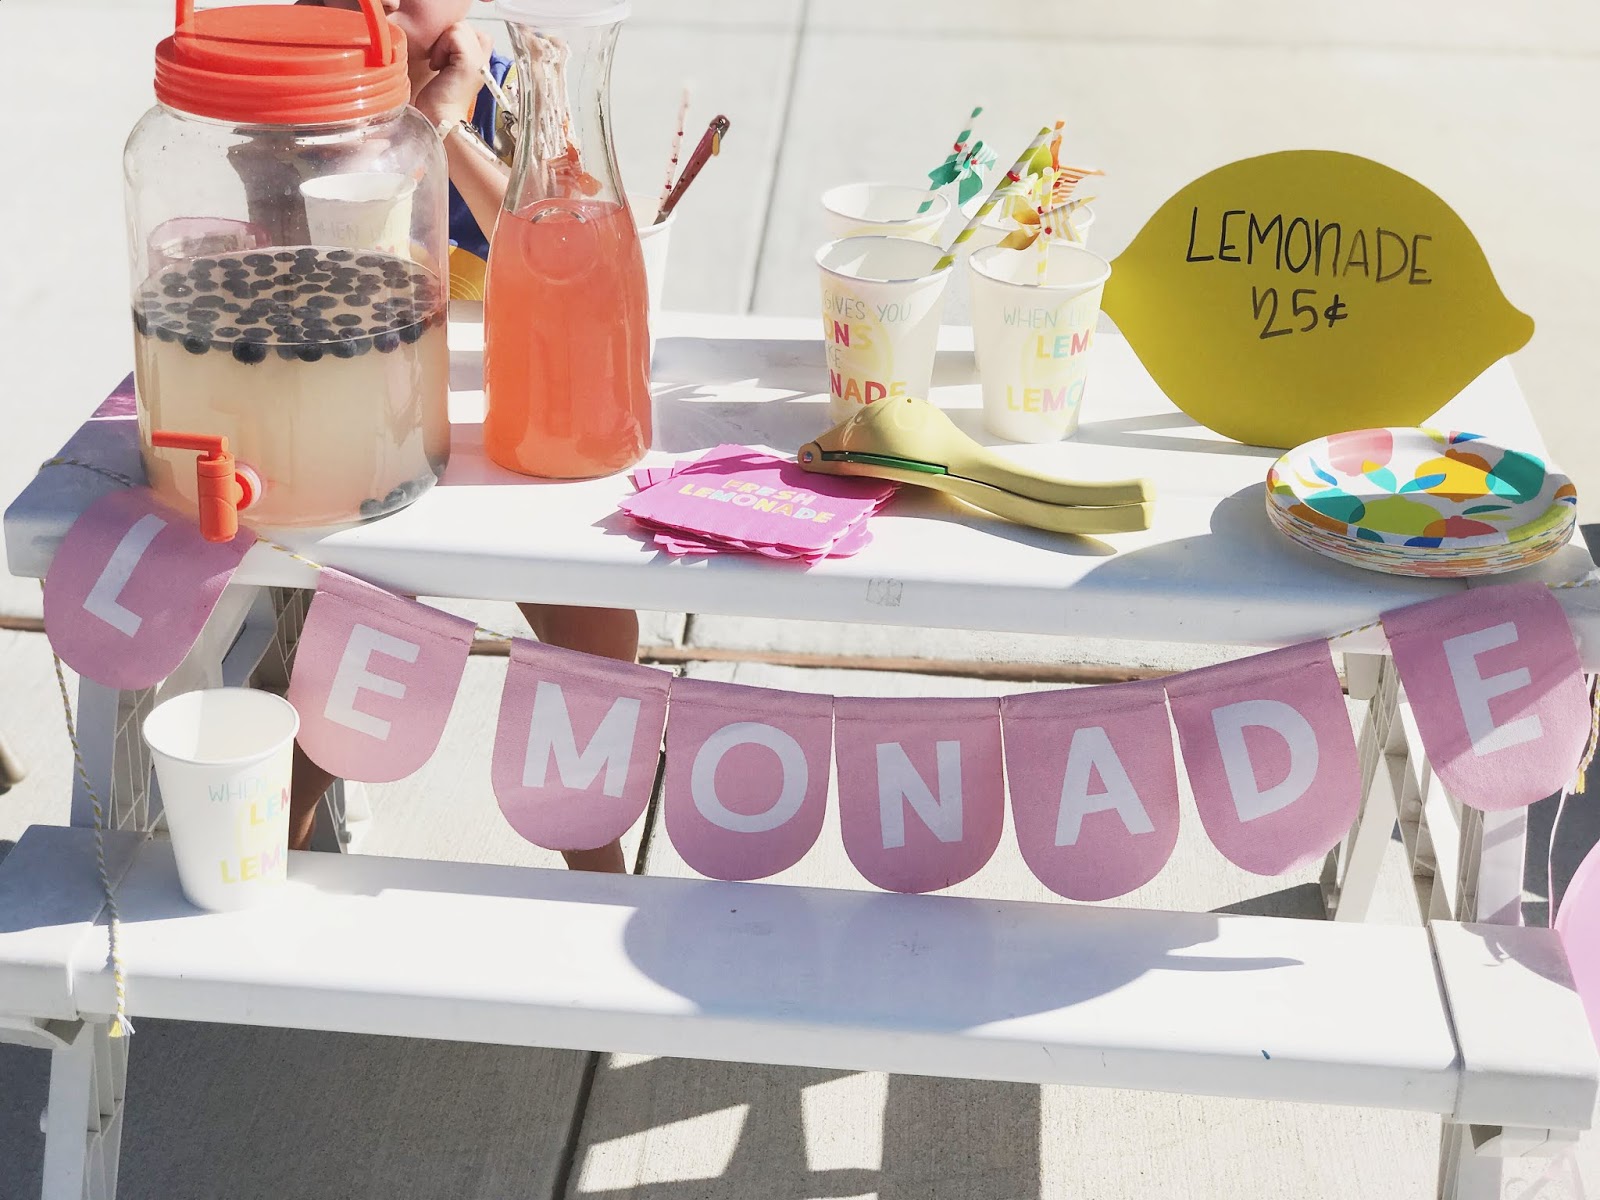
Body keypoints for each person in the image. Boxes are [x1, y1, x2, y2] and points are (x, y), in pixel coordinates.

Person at [287, 0, 637, 873]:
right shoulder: (314, 106)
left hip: (522, 410)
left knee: (595, 633)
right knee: (370, 641)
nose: (401, 10)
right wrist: (393, 124)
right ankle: (266, 849)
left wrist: (443, 124)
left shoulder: (512, 92)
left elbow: (559, 239)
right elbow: (310, 258)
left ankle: (594, 858)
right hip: (380, 422)